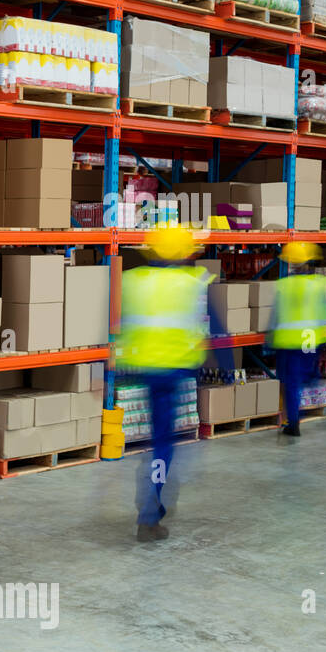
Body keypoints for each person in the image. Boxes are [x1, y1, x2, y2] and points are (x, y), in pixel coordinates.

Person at [118, 226, 230, 543]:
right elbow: (218, 331)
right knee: (164, 446)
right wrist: (226, 369)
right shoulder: (192, 284)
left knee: (159, 441)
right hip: (176, 374)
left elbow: (121, 326)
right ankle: (150, 514)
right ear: (183, 253)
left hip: (146, 371)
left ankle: (152, 504)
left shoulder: (133, 280)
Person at [269, 242, 326, 438]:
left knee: (291, 383)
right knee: (304, 375)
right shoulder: (320, 283)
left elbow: (276, 314)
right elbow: (324, 312)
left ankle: (294, 422)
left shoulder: (283, 285)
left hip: (288, 341)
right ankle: (312, 379)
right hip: (310, 338)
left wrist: (269, 338)